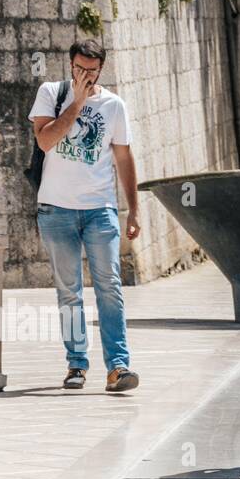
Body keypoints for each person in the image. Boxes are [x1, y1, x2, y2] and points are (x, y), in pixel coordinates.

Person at [29, 39, 141, 392]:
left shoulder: (114, 105)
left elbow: (123, 158)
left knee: (109, 286)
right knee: (69, 290)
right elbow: (45, 141)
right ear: (70, 65)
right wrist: (77, 103)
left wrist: (133, 208)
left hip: (100, 209)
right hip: (56, 208)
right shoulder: (50, 93)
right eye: (79, 69)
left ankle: (118, 367)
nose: (84, 75)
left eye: (91, 71)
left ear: (101, 70)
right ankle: (76, 364)